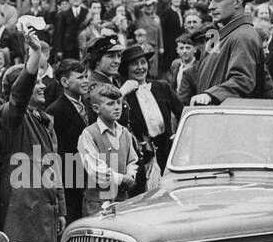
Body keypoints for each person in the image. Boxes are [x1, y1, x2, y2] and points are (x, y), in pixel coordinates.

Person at [0, 29, 66, 242]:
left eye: (42, 81)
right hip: (21, 212)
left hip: (46, 210)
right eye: (36, 82)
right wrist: (34, 54)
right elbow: (19, 98)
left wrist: (60, 208)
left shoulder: (44, 120)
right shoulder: (8, 117)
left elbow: (55, 167)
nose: (42, 86)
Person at [190, 0, 272, 105]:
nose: (210, 6)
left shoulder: (244, 35)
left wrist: (210, 96)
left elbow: (242, 81)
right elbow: (202, 69)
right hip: (210, 115)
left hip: (228, 118)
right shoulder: (216, 34)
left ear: (237, 2)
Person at [117, 42, 181, 191]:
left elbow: (182, 112)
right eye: (134, 64)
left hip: (167, 152)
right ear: (127, 68)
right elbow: (117, 121)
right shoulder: (124, 95)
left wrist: (177, 136)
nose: (140, 67)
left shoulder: (162, 87)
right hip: (142, 157)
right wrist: (122, 93)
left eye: (143, 62)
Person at [78, 83, 138, 216]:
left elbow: (132, 160)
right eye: (110, 104)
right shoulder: (89, 134)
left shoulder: (125, 132)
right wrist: (122, 179)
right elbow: (96, 170)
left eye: (118, 102)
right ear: (96, 108)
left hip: (122, 201)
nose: (117, 107)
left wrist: (131, 174)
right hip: (98, 204)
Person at [45, 59, 91, 224]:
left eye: (86, 76)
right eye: (80, 77)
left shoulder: (89, 105)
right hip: (71, 181)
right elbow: (56, 152)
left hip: (91, 178)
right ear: (64, 82)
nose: (85, 81)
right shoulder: (54, 111)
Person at [167, 32, 200, 107]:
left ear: (195, 49)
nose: (184, 51)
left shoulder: (198, 67)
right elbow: (172, 86)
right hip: (176, 104)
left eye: (188, 48)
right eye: (181, 48)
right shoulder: (175, 65)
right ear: (177, 50)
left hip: (191, 106)